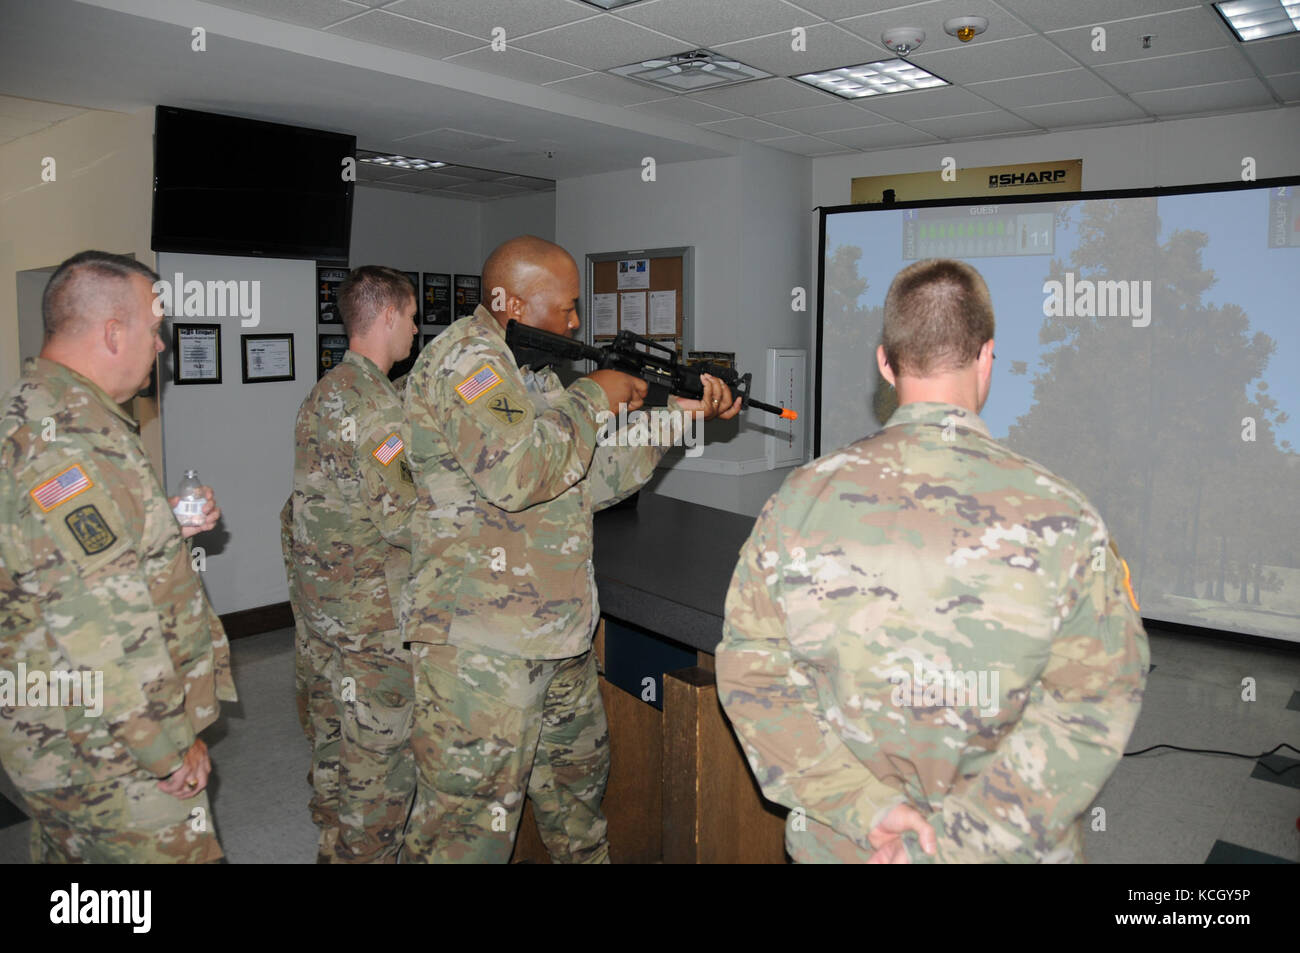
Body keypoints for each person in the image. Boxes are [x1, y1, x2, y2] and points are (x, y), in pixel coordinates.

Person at [716, 258, 1149, 864]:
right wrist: (966, 838)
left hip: (849, 847)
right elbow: (1098, 696)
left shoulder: (798, 502)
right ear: (987, 357)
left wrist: (862, 806)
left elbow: (751, 670)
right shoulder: (1066, 517)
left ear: (885, 363)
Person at [401, 235, 739, 863]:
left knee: (578, 810)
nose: (578, 321)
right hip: (483, 648)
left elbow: (591, 477)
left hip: (558, 634)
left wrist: (681, 416)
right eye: (567, 306)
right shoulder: (467, 362)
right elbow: (519, 471)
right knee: (465, 833)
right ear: (514, 304)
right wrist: (595, 397)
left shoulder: (528, 373)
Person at [0, 250, 235, 862]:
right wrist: (164, 748)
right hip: (104, 749)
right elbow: (101, 627)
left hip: (62, 734)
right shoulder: (73, 443)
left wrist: (165, 532)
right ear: (112, 332)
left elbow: (59, 568)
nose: (160, 348)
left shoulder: (43, 414)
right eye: (155, 330)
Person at [284, 265, 420, 863]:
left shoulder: (326, 390)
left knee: (334, 729)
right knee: (382, 757)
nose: (415, 331)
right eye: (412, 317)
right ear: (387, 315)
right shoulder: (377, 409)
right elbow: (405, 521)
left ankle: (331, 836)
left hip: (324, 607)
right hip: (374, 617)